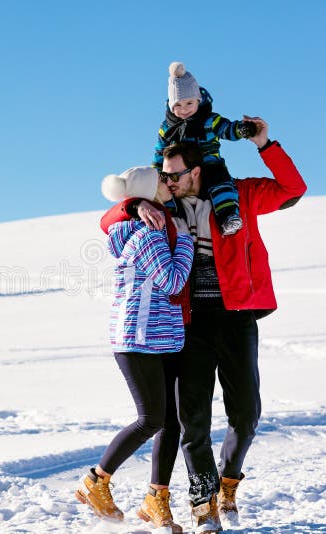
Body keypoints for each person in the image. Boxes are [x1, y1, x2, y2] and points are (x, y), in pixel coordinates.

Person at [101, 118, 307, 533]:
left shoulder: (240, 196)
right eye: (163, 177)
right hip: (189, 325)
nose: (168, 183)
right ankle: (204, 505)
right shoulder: (163, 208)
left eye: (174, 176)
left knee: (246, 414)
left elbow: (292, 188)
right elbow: (109, 221)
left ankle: (229, 482)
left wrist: (264, 143)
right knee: (192, 420)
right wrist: (132, 205)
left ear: (196, 171)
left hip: (236, 319)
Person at [75, 165, 194, 531]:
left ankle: (156, 500)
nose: (169, 184)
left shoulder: (149, 227)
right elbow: (172, 280)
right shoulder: (148, 235)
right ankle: (97, 480)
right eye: (162, 181)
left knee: (170, 422)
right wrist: (188, 241)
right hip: (139, 339)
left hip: (162, 337)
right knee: (151, 419)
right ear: (147, 192)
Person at [153, 62, 258, 236]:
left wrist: (242, 129)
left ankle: (227, 216)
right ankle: (172, 220)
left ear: (198, 101)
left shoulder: (209, 120)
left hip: (210, 164)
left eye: (189, 103)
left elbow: (227, 129)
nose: (184, 109)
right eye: (178, 105)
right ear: (170, 105)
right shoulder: (167, 128)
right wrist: (156, 173)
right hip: (182, 172)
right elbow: (160, 151)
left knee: (221, 184)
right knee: (168, 190)